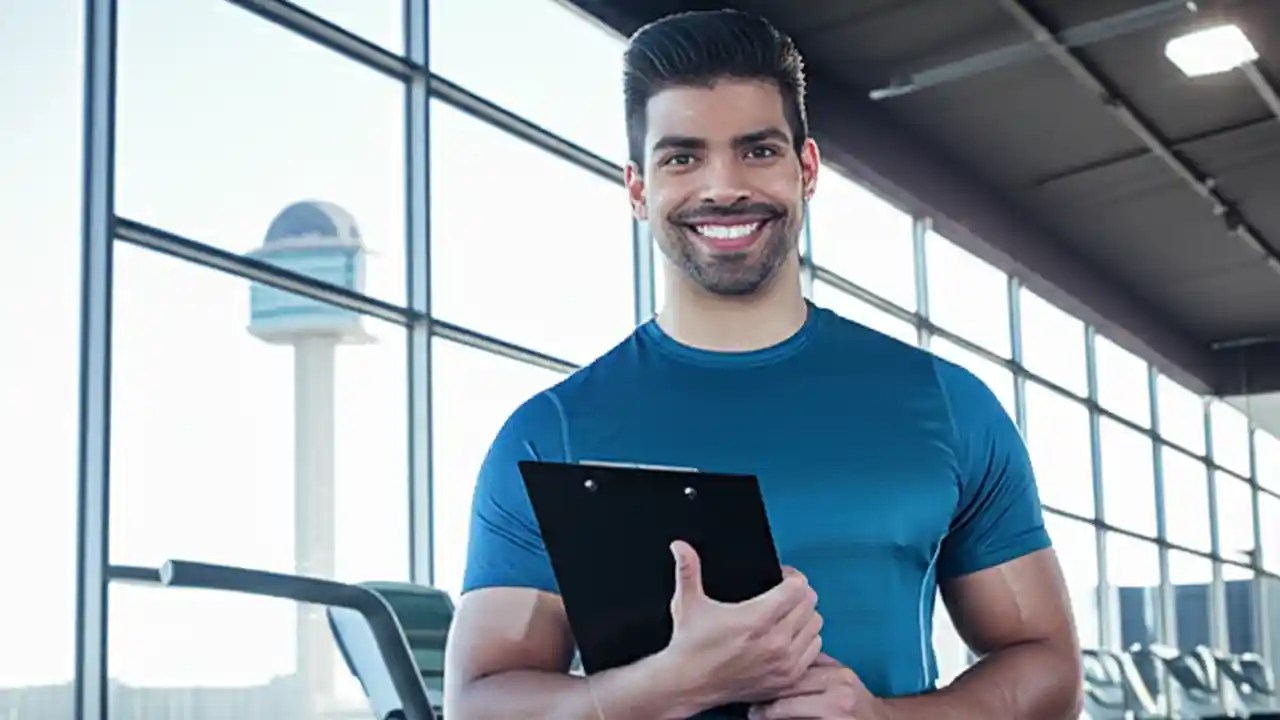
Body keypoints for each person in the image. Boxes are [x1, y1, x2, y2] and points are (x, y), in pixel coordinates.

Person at [443, 8, 1084, 719]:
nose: (723, 186)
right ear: (637, 189)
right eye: (682, 157)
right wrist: (673, 683)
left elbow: (1046, 666)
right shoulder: (548, 435)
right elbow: (480, 704)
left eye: (757, 151)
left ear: (806, 169)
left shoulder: (946, 404)